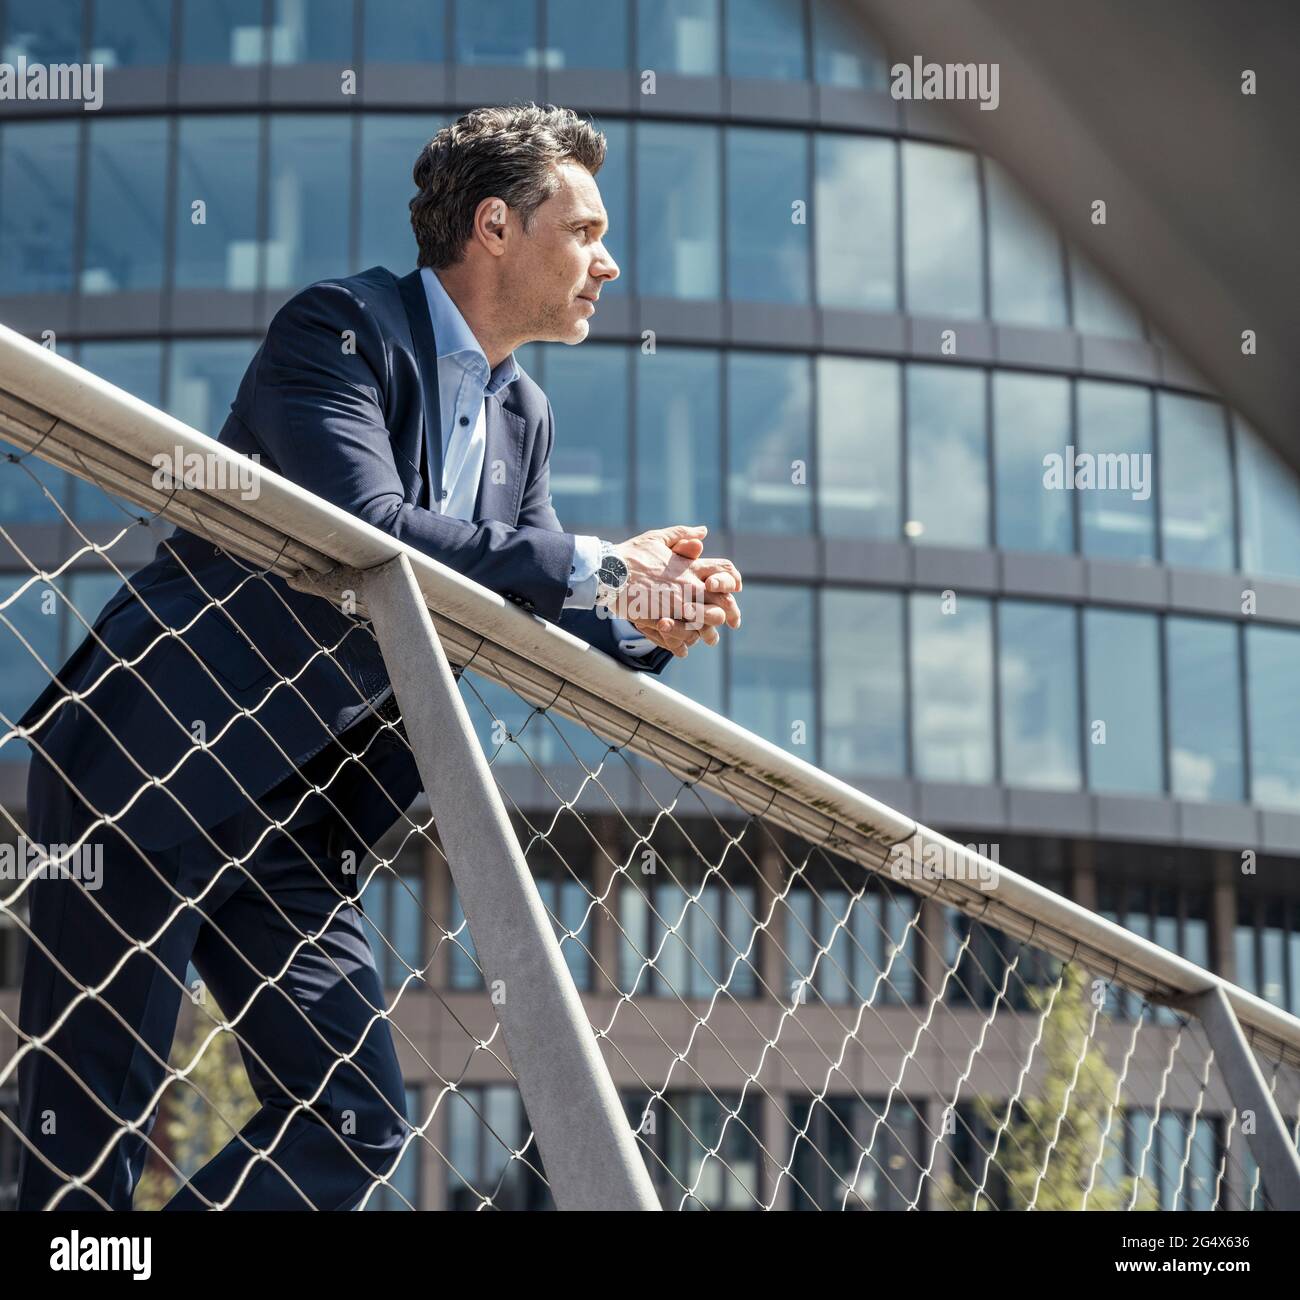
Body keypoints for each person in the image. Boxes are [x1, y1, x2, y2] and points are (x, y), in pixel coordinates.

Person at [14, 103, 742, 1210]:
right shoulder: (340, 329)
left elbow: (520, 589)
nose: (611, 260)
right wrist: (599, 563)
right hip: (151, 761)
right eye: (585, 229)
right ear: (495, 227)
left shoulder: (521, 417)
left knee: (352, 1121)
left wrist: (649, 613)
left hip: (300, 819)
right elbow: (371, 526)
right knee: (87, 1149)